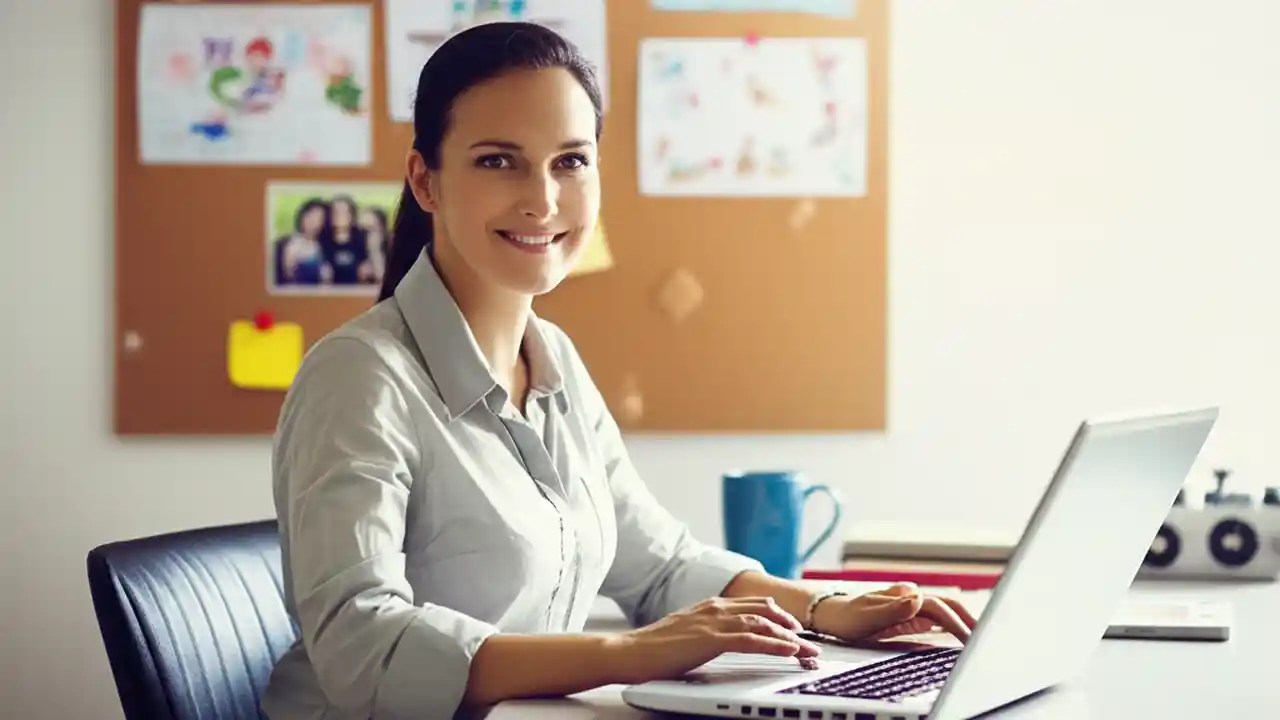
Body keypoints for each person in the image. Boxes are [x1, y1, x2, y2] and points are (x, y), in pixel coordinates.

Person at [263, 22, 975, 720]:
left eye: (571, 160)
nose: (542, 199)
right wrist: (627, 654)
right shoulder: (358, 378)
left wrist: (827, 609)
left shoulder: (553, 360)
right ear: (426, 180)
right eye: (497, 161)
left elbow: (659, 565)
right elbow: (365, 649)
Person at [273, 199, 332, 287]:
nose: (312, 221)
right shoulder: (284, 243)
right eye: (309, 216)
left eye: (319, 218)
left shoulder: (326, 246)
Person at [320, 194, 372, 285]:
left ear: (352, 215)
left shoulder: (363, 238)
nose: (340, 216)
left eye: (345, 212)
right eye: (336, 212)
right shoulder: (323, 238)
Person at [357, 205, 390, 284]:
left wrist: (374, 250)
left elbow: (382, 279)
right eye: (362, 230)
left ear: (382, 229)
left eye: (369, 230)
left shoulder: (393, 249)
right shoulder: (355, 248)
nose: (365, 236)